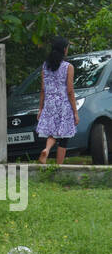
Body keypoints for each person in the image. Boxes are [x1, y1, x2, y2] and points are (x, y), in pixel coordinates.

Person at [35, 36, 79, 165]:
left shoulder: (45, 66)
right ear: (64, 49)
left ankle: (47, 149)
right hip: (63, 104)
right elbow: (70, 90)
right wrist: (75, 111)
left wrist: (41, 108)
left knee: (52, 131)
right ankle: (59, 167)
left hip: (49, 103)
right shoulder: (68, 67)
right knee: (63, 137)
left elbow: (43, 89)